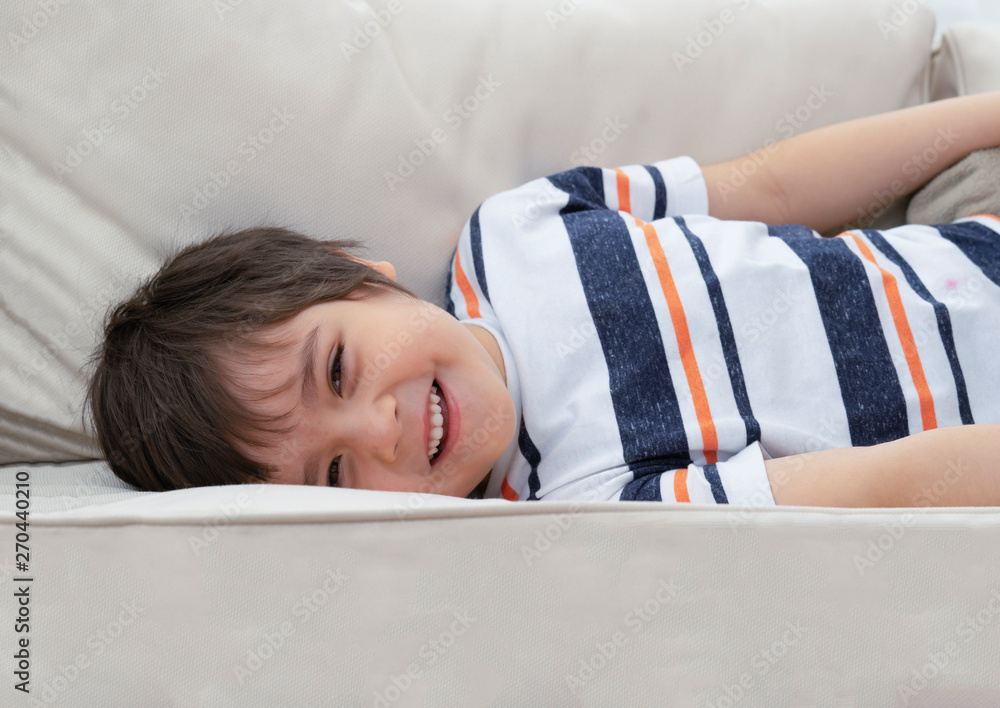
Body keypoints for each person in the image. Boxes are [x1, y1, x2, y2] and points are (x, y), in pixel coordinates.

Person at [85, 90, 1000, 507]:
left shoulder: (517, 230)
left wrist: (984, 115)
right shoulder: (583, 502)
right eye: (334, 477)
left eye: (337, 370)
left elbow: (772, 186)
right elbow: (890, 483)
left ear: (358, 274)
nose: (379, 432)